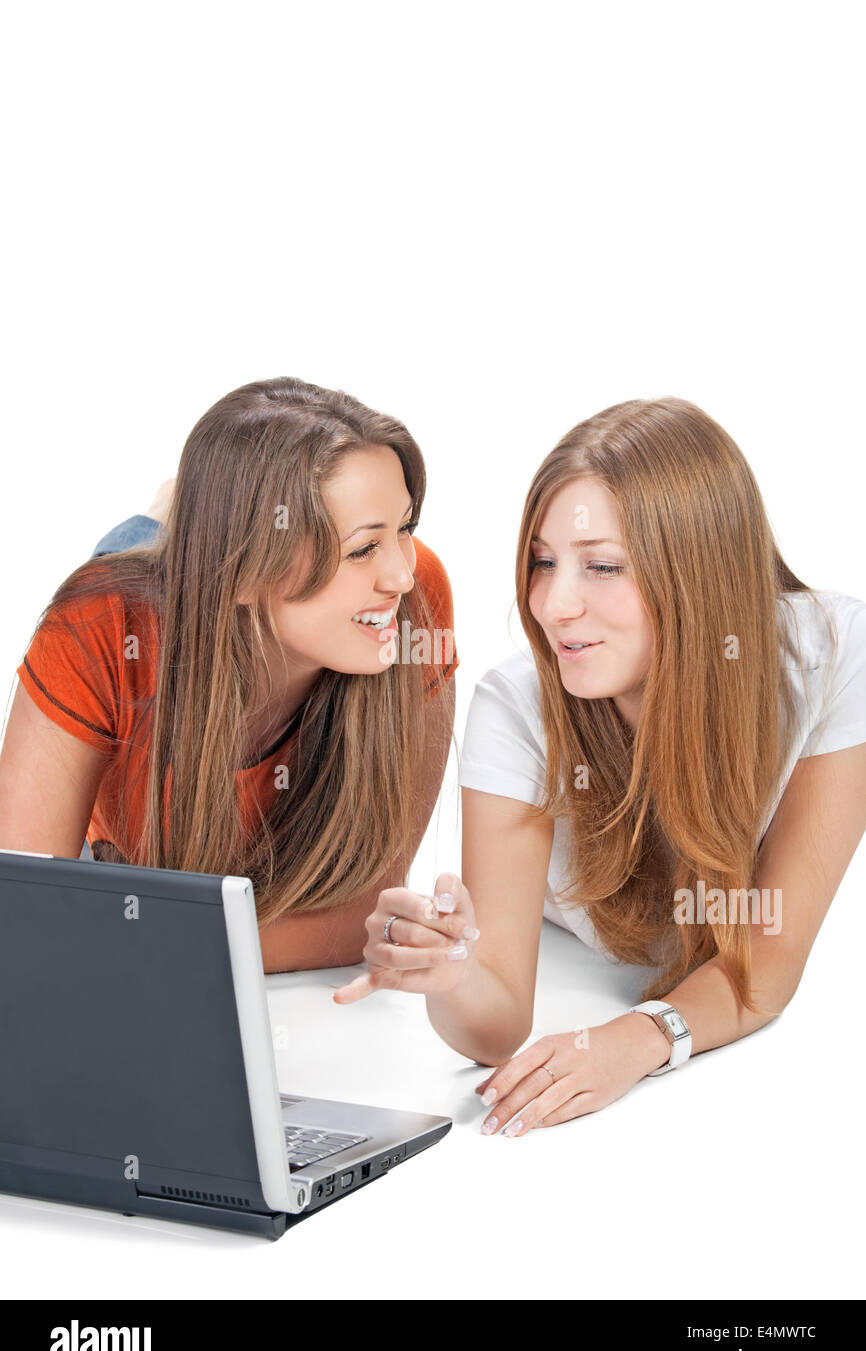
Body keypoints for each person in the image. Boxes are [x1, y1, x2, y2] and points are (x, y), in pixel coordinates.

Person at [334, 397, 866, 1138]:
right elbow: (495, 1023)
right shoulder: (515, 707)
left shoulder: (831, 657)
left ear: (700, 569)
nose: (555, 604)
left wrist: (634, 1042)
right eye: (544, 563)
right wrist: (449, 976)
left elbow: (766, 970)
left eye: (603, 567)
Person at [0, 377, 458, 973]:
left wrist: (150, 942)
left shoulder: (417, 600)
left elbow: (367, 913)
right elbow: (27, 913)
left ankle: (179, 518)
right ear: (243, 572)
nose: (401, 574)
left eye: (405, 529)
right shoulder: (99, 626)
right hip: (161, 630)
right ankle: (166, 520)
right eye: (363, 549)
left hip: (211, 582)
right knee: (131, 569)